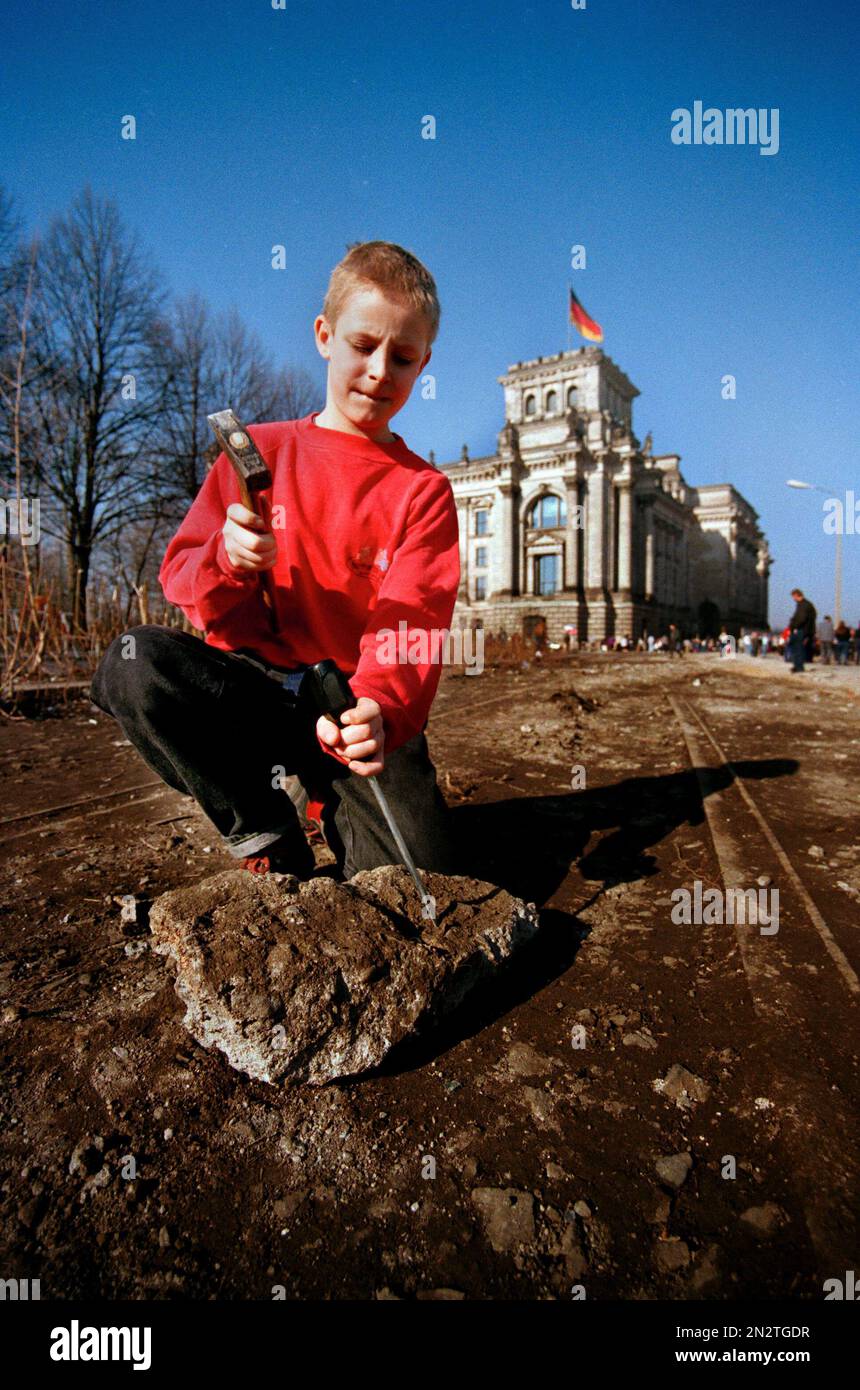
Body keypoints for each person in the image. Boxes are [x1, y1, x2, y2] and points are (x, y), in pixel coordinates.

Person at [90, 241, 459, 881]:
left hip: (348, 705)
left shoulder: (421, 491)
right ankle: (261, 826)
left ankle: (329, 792)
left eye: (402, 358)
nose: (378, 371)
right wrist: (227, 559)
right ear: (324, 335)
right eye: (363, 345)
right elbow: (180, 578)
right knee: (135, 663)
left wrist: (380, 707)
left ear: (424, 363)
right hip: (250, 690)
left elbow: (413, 617)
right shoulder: (255, 453)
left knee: (413, 879)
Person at [787, 587, 817, 672]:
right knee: (796, 648)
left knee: (798, 649)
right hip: (803, 630)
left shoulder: (804, 605)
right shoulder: (805, 604)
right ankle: (797, 665)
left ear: (796, 595)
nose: (793, 599)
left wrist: (794, 626)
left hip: (801, 630)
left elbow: (801, 618)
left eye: (793, 597)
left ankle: (799, 667)